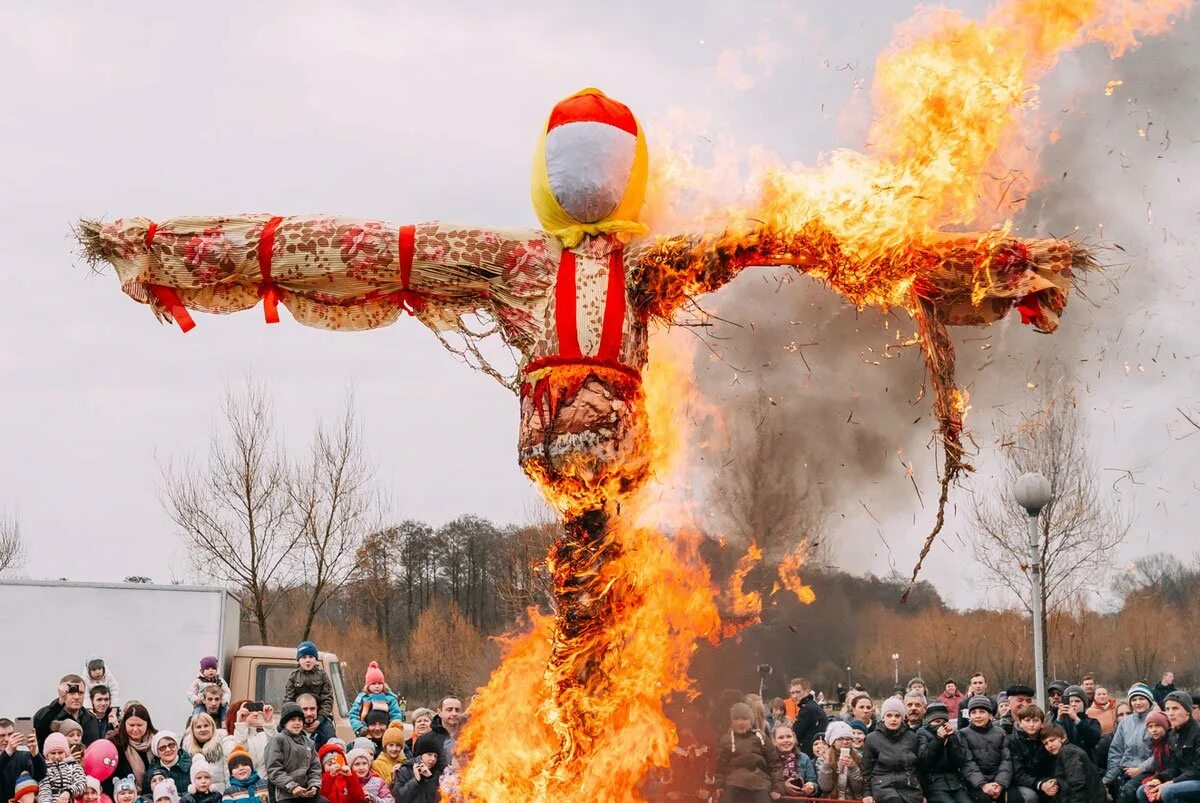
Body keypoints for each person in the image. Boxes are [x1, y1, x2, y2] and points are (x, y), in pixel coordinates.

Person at [713, 702, 782, 803]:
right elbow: (720, 766)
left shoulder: (761, 738)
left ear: (751, 720)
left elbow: (774, 764)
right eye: (736, 719)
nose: (740, 723)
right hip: (734, 784)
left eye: (744, 719)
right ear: (731, 721)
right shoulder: (726, 740)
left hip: (760, 784)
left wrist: (777, 788)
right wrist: (719, 786)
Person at [1140, 692, 1200, 803]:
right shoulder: (1172, 734)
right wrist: (1158, 778)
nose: (1171, 713)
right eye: (1167, 709)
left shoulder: (1197, 732)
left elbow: (1197, 770)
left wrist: (1172, 782)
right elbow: (1173, 767)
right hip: (1182, 779)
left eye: (1175, 708)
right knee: (1143, 790)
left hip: (1196, 779)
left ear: (1188, 711)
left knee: (1168, 791)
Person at [863, 697, 922, 803]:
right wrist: (867, 793)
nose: (893, 719)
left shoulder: (912, 737)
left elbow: (917, 768)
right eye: (889, 715)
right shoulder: (872, 738)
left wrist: (923, 793)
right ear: (883, 717)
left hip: (909, 786)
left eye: (897, 716)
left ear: (903, 718)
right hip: (883, 785)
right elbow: (867, 770)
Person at [956, 694, 1011, 803]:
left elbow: (1006, 761)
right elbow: (967, 763)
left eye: (982, 711)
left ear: (990, 714)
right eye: (973, 712)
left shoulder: (1001, 733)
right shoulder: (963, 734)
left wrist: (1000, 783)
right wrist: (983, 784)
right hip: (974, 783)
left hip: (998, 781)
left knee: (1013, 798)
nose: (977, 716)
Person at [262, 704, 323, 803]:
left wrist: (314, 785)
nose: (297, 723)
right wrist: (292, 786)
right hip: (283, 794)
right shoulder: (278, 740)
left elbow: (315, 768)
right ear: (285, 722)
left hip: (305, 792)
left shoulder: (309, 743)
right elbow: (273, 769)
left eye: (300, 720)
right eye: (293, 720)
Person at [1108, 684, 1158, 801]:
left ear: (1149, 700)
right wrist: (1110, 776)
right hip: (1125, 770)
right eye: (1134, 700)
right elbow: (1116, 750)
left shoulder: (1157, 721)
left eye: (1141, 699)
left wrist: (1140, 768)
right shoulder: (1124, 723)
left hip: (1147, 771)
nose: (1138, 702)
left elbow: (1159, 753)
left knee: (1129, 790)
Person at [916, 702, 968, 803]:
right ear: (929, 721)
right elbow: (924, 761)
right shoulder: (922, 733)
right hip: (933, 783)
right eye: (937, 721)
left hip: (955, 783)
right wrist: (938, 740)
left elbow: (959, 761)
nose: (941, 725)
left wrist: (952, 738)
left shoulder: (954, 734)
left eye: (944, 722)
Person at [1043, 724, 1107, 803]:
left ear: (1063, 738)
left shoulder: (1067, 752)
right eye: (1045, 743)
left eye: (1052, 740)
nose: (1049, 745)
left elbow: (1078, 785)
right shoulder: (1069, 749)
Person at [34, 677, 103, 748]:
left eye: (80, 693)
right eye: (72, 692)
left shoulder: (91, 718)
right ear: (61, 692)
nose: (77, 697)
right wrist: (59, 703)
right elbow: (38, 735)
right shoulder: (45, 714)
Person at [1008, 705, 1054, 803]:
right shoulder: (1013, 741)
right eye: (1027, 720)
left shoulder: (1046, 740)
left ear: (1042, 724)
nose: (1031, 724)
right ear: (1020, 723)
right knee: (1030, 797)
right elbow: (1018, 773)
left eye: (1036, 720)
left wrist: (1051, 782)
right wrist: (1040, 784)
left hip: (1044, 779)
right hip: (1022, 783)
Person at [112, 703, 157, 794]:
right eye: (131, 725)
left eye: (140, 725)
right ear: (124, 724)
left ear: (147, 724)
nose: (135, 729)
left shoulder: (156, 742)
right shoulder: (115, 744)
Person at [284, 644, 334, 725]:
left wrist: (319, 720)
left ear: (315, 659)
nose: (308, 660)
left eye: (311, 657)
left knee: (328, 735)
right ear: (299, 660)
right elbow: (288, 700)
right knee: (280, 731)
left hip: (319, 717)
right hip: (298, 718)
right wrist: (296, 719)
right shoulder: (293, 677)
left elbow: (328, 700)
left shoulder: (323, 676)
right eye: (304, 657)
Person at [350, 665, 404, 736]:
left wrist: (393, 728)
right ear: (368, 685)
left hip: (386, 733)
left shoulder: (390, 698)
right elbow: (353, 714)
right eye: (373, 683)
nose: (377, 686)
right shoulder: (362, 698)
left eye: (379, 683)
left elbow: (396, 714)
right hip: (365, 732)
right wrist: (359, 728)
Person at [390, 733, 444, 803]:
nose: (433, 759)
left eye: (435, 756)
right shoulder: (405, 770)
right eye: (429, 754)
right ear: (421, 755)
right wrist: (415, 781)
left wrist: (429, 779)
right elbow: (398, 797)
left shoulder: (436, 774)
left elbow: (437, 799)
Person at [818, 721, 865, 801]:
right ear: (832, 742)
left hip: (852, 799)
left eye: (848, 738)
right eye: (840, 739)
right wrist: (827, 763)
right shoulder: (822, 758)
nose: (845, 742)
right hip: (831, 800)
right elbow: (825, 787)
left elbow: (858, 788)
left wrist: (853, 768)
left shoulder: (858, 757)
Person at [1, 720, 46, 803]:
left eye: (11, 734)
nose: (7, 739)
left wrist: (35, 752)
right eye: (2, 736)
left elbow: (40, 775)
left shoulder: (24, 756)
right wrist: (7, 752)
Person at [182, 714, 228, 793]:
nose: (203, 729)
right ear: (192, 730)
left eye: (206, 726)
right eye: (198, 727)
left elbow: (228, 776)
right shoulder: (187, 751)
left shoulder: (223, 745)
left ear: (212, 727)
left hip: (219, 796)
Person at [222, 704, 275, 772]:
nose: (256, 714)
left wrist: (268, 722)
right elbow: (239, 754)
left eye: (256, 710)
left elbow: (276, 748)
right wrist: (241, 724)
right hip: (241, 781)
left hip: (265, 781)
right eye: (249, 710)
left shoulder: (263, 736)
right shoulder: (228, 740)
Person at [36, 733, 85, 803]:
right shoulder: (44, 769)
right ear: (46, 755)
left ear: (66, 752)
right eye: (53, 753)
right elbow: (44, 791)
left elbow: (81, 783)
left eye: (60, 752)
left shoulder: (73, 765)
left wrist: (68, 792)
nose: (57, 756)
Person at [1055, 687, 1101, 757]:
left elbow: (1094, 738)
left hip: (1085, 762)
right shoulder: (1062, 721)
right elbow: (1052, 739)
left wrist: (1076, 719)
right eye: (1071, 701)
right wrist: (1058, 720)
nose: (1073, 704)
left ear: (1084, 704)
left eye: (1077, 701)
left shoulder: (1092, 722)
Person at [790, 679, 830, 759]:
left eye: (798, 692)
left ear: (807, 691)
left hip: (810, 753)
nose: (794, 696)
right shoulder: (813, 705)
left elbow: (796, 733)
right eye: (792, 693)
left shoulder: (807, 709)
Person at [773, 724, 816, 798]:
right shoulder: (769, 760)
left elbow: (813, 781)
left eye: (789, 736)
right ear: (774, 741)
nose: (786, 740)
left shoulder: (804, 758)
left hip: (801, 800)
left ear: (794, 738)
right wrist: (783, 788)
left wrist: (811, 787)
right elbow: (764, 784)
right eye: (781, 737)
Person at [146, 731, 192, 798]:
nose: (168, 749)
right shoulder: (151, 772)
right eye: (162, 748)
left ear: (177, 746)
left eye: (171, 745)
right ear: (157, 752)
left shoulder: (191, 767)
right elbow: (146, 796)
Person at [429, 699, 463, 767]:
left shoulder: (470, 738)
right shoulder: (428, 740)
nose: (454, 713)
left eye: (457, 710)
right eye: (449, 710)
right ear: (439, 712)